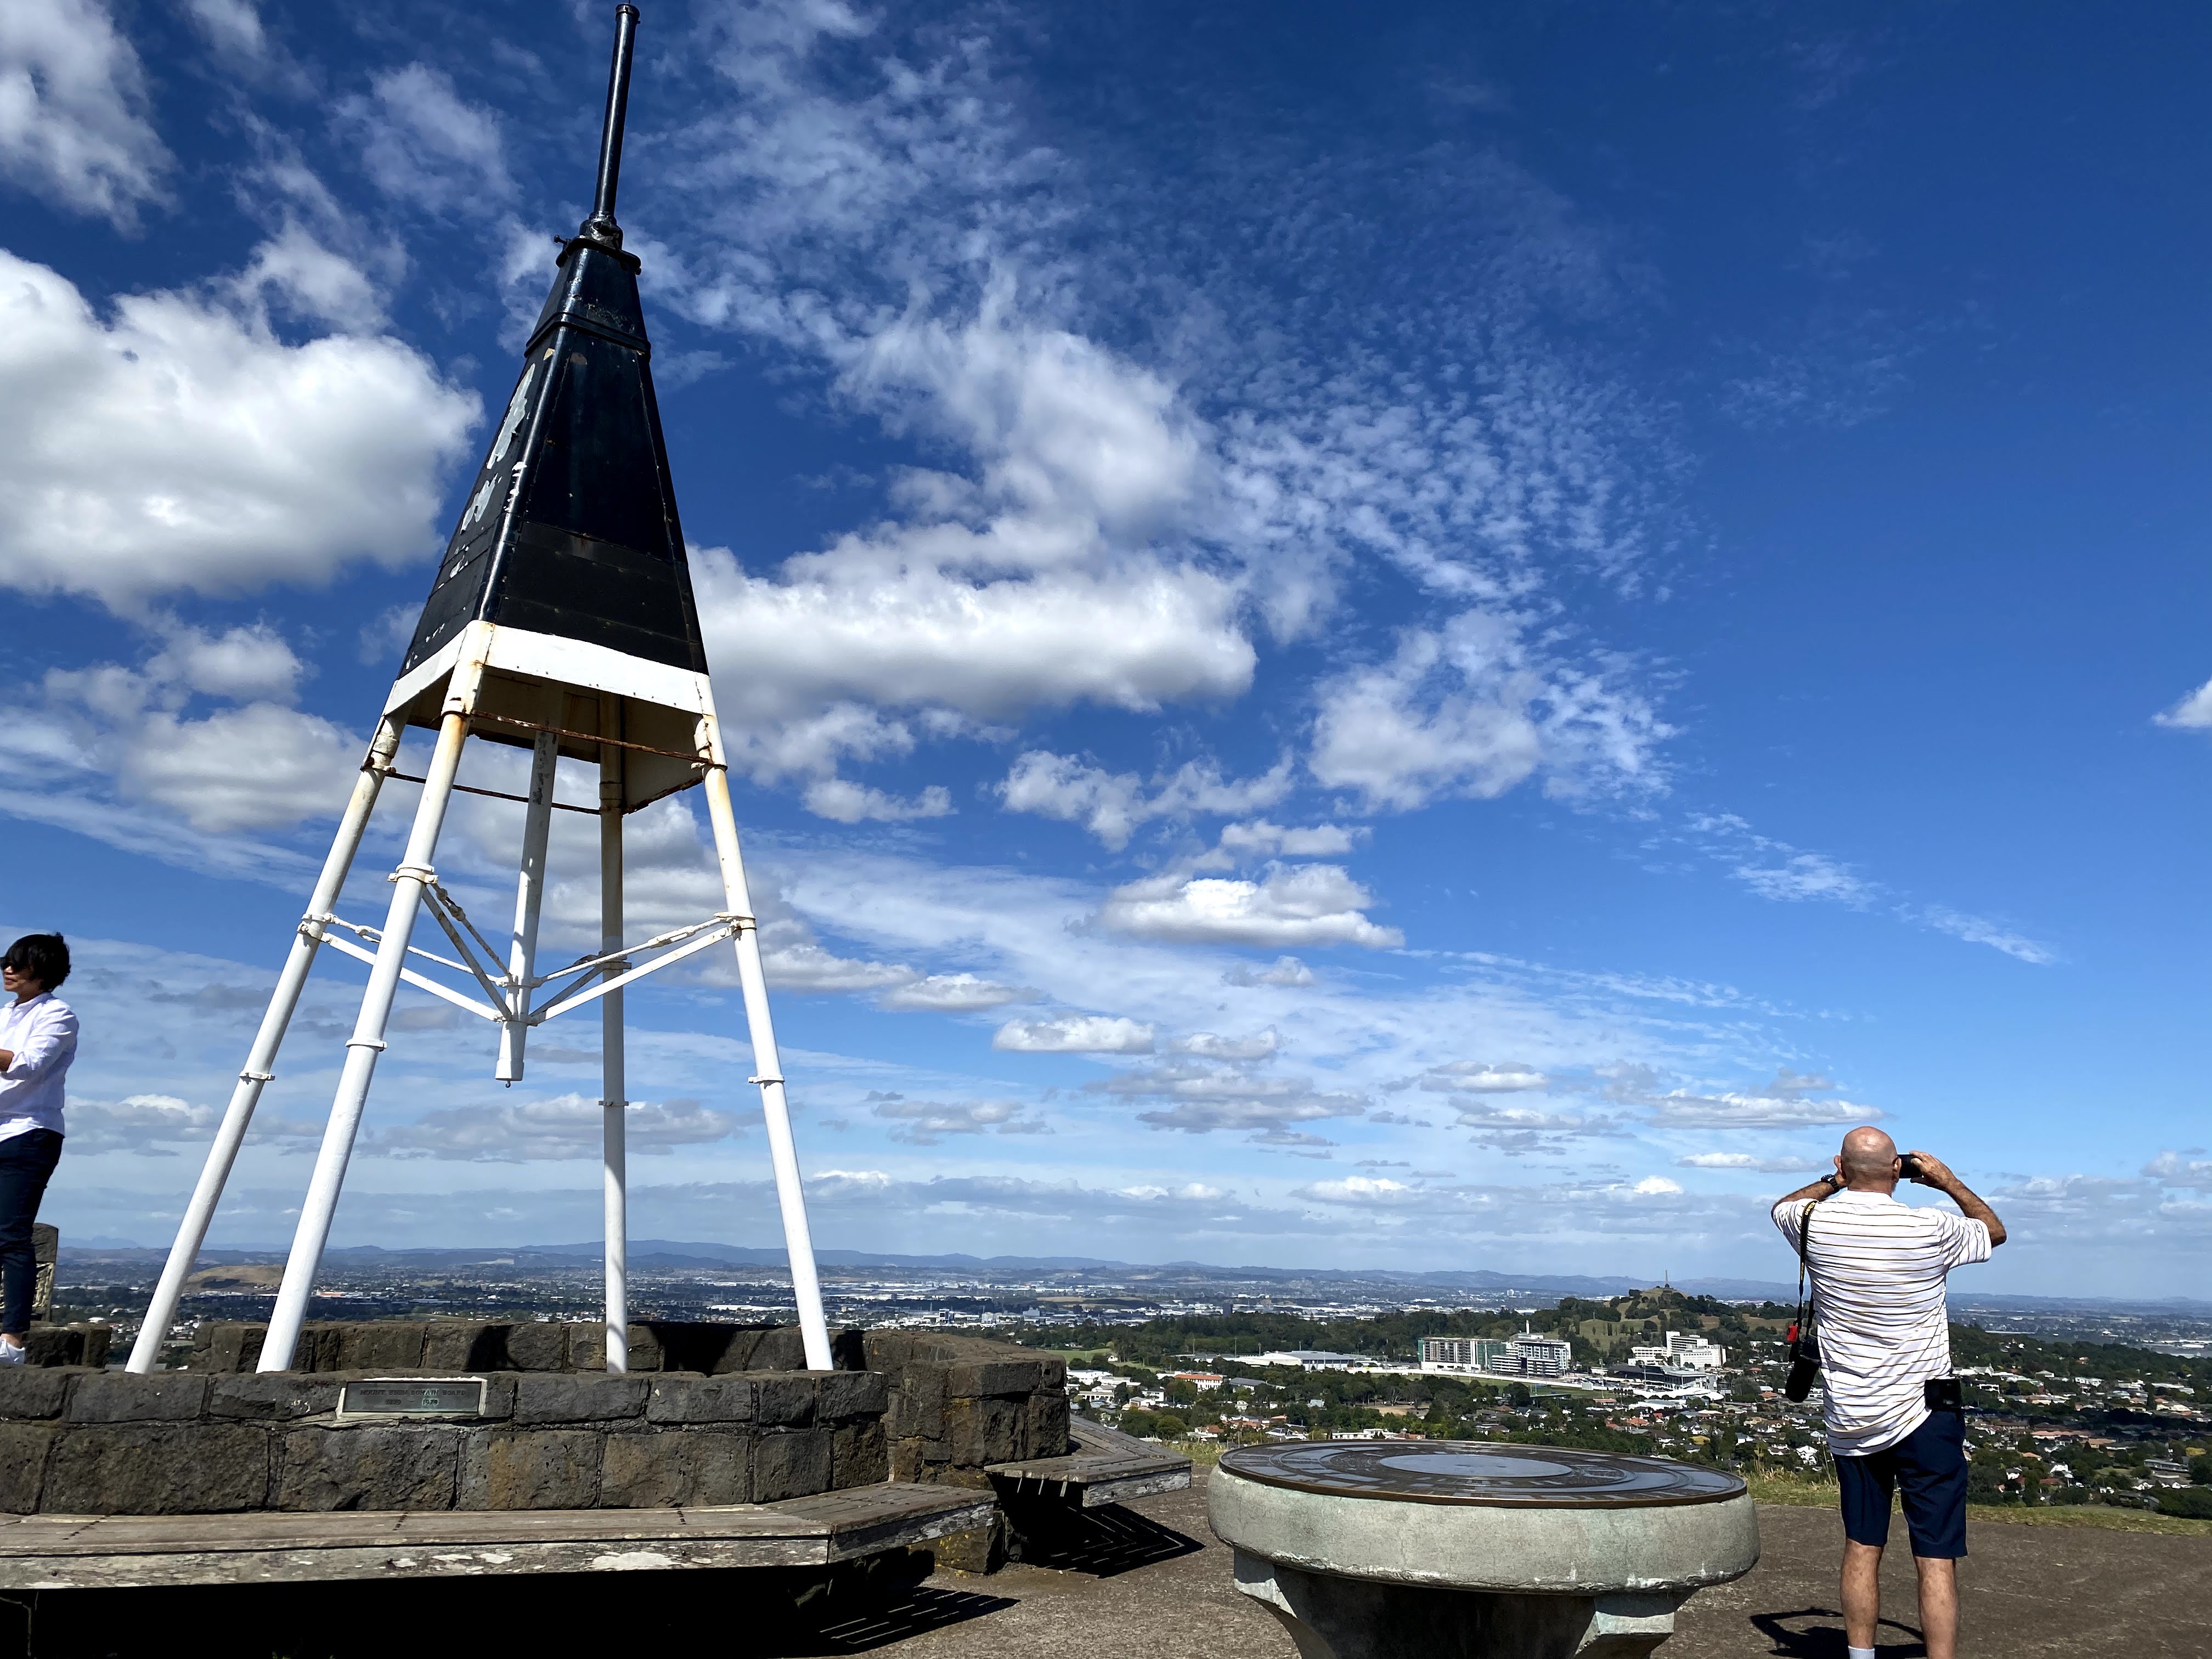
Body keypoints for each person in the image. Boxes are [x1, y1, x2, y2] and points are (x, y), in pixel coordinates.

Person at [1773, 1127, 2006, 1659]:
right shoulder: (1930, 1227)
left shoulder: (1810, 1222)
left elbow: (1784, 1205)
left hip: (1854, 1410)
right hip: (1928, 1407)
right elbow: (1992, 1232)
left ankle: (1860, 1656)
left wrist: (1835, 1181)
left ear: (1840, 1163)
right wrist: (1948, 1182)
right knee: (1936, 1555)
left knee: (1862, 1543)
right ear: (1900, 1169)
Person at [0, 935, 75, 1365]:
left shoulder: (58, 1015)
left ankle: (12, 1340)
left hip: (29, 1133)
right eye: (6, 962)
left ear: (41, 972)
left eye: (18, 963)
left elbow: (30, 1062)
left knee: (11, 1233)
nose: (8, 970)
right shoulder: (5, 1016)